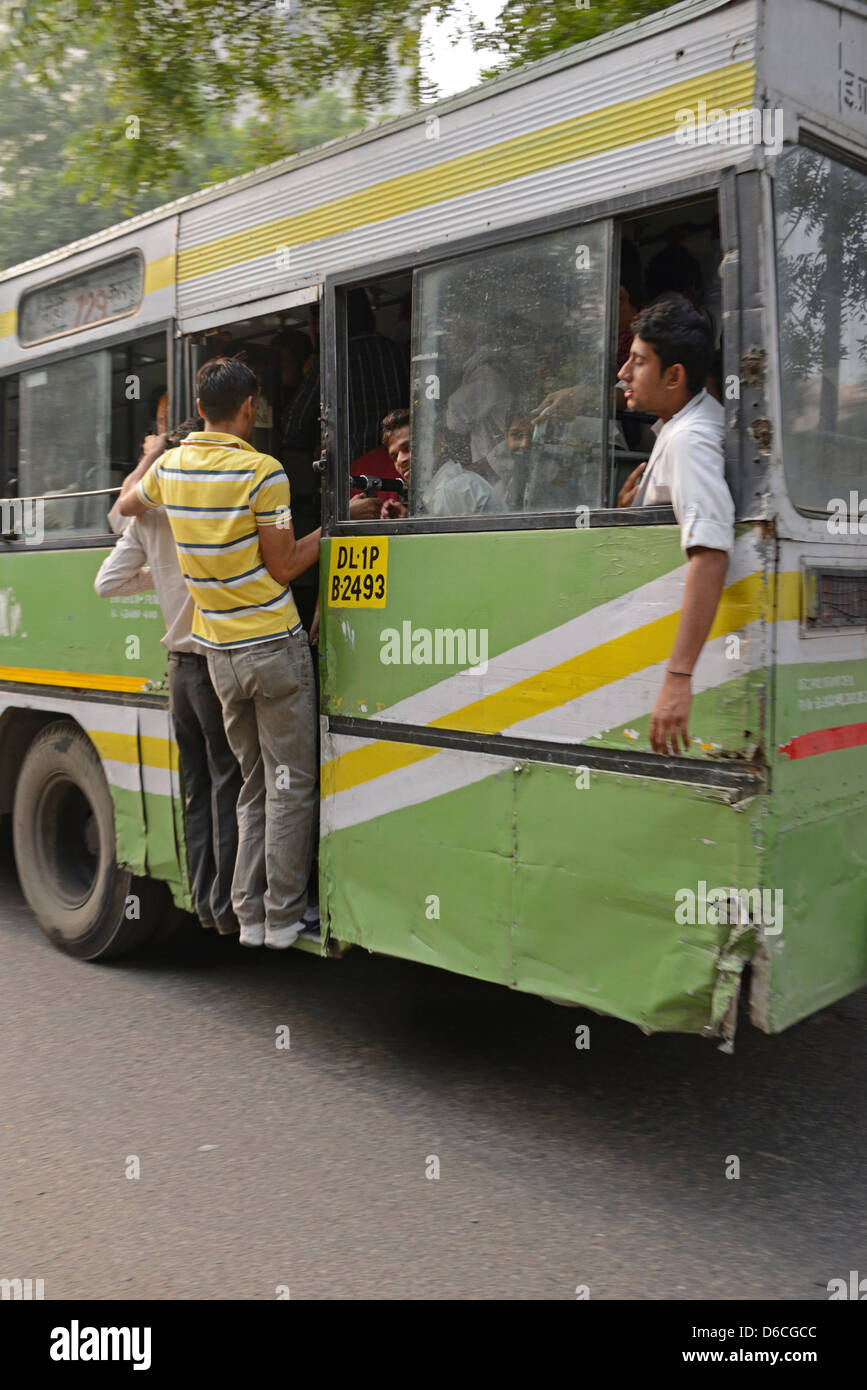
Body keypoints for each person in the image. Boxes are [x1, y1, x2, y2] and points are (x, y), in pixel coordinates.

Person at [119, 358, 322, 951]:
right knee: (291, 783)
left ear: (201, 408)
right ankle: (283, 918)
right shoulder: (266, 473)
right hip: (272, 647)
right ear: (250, 407)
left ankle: (248, 913)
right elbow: (284, 565)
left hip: (219, 657)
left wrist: (156, 452)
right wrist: (336, 527)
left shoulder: (172, 468)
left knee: (253, 784)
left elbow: (129, 503)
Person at [95, 419, 243, 938]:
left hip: (177, 672)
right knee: (228, 781)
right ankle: (228, 906)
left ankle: (203, 902)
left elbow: (106, 583)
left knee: (197, 787)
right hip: (211, 664)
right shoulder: (202, 505)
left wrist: (153, 577)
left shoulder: (147, 519)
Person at [615, 298, 734, 757]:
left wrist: (678, 677)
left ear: (674, 376)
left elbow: (710, 551)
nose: (624, 372)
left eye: (638, 361)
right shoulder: (686, 426)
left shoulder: (690, 441)